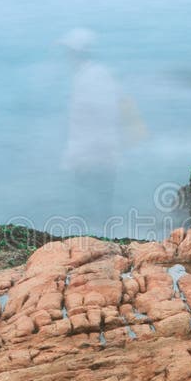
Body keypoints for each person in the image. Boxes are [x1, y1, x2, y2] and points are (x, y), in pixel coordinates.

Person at [59, 28, 123, 231]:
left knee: (89, 207)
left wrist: (75, 155)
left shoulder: (88, 78)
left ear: (77, 52)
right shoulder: (99, 74)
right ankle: (105, 245)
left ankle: (94, 250)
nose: (66, 56)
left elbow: (87, 120)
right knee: (101, 204)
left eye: (69, 51)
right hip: (103, 151)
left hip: (93, 153)